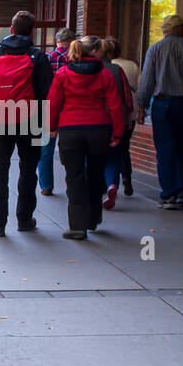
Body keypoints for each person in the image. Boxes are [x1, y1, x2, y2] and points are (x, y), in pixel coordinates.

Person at [0, 10, 55, 236]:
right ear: (32, 32)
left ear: (10, 29)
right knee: (28, 170)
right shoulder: (38, 57)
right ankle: (24, 218)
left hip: (0, 119)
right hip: (30, 119)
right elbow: (46, 92)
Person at [49, 35, 125, 240]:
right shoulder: (105, 74)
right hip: (99, 129)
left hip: (70, 130)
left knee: (74, 177)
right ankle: (92, 219)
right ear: (95, 51)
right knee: (95, 174)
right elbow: (115, 105)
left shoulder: (63, 73)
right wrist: (118, 132)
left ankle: (77, 226)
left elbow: (53, 103)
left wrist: (52, 127)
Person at [136, 13, 183, 209]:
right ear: (179, 29)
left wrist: (142, 105)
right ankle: (182, 192)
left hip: (163, 105)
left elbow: (147, 81)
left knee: (165, 150)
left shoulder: (155, 49)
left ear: (165, 31)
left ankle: (168, 195)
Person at [38, 28, 76, 196]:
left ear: (57, 41)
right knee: (73, 150)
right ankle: (73, 185)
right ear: (71, 41)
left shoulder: (47, 57)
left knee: (45, 149)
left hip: (48, 106)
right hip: (71, 107)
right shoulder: (75, 59)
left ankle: (46, 185)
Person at [101, 37, 136, 206]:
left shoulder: (83, 68)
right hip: (115, 119)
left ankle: (97, 187)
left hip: (93, 121)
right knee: (115, 155)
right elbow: (127, 96)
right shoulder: (117, 69)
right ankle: (112, 184)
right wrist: (129, 116)